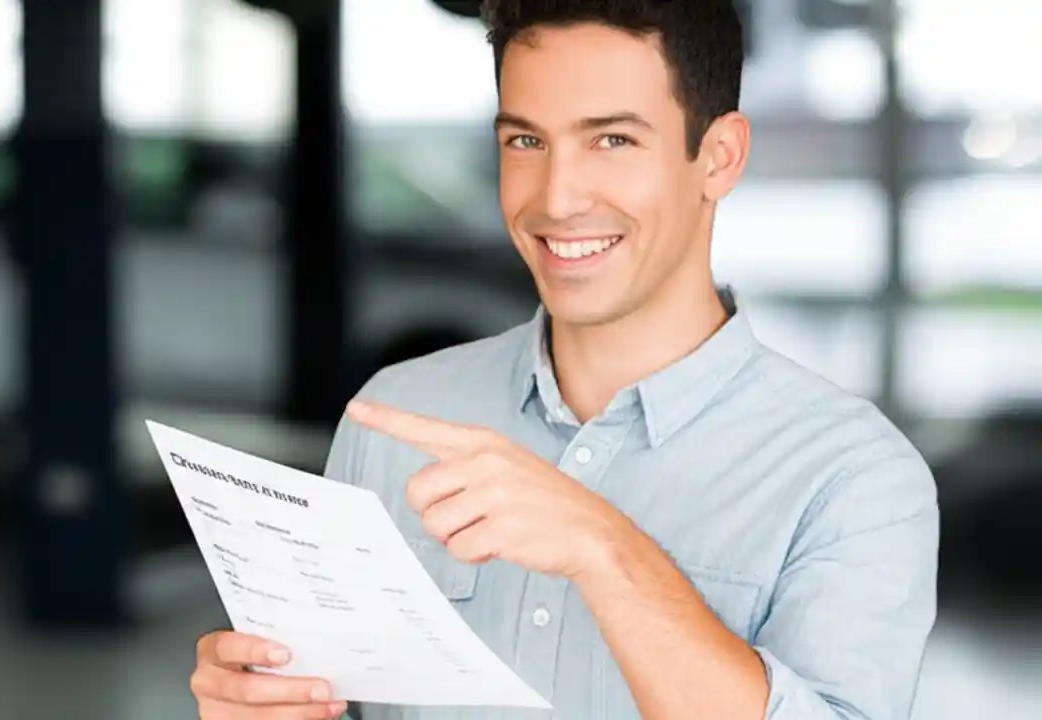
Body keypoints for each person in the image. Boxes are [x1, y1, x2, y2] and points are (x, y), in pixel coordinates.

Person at [189, 0, 940, 717]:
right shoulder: (395, 421)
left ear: (719, 156)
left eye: (612, 140)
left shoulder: (855, 479)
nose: (558, 196)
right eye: (526, 141)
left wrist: (603, 549)